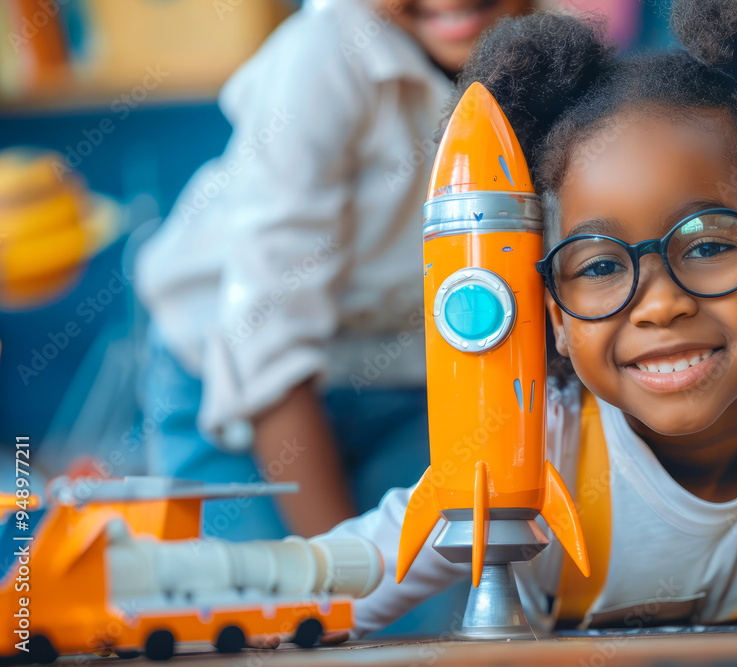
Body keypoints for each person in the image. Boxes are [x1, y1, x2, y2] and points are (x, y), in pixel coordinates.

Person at [312, 0, 737, 636]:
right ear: (555, 316)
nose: (662, 302)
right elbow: (315, 588)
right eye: (600, 266)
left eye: (706, 247)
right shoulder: (532, 460)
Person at [135, 0, 537, 543]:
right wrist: (337, 569)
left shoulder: (554, 52)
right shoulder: (319, 59)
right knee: (256, 584)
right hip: (232, 374)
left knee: (440, 571)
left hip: (404, 379)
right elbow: (266, 338)